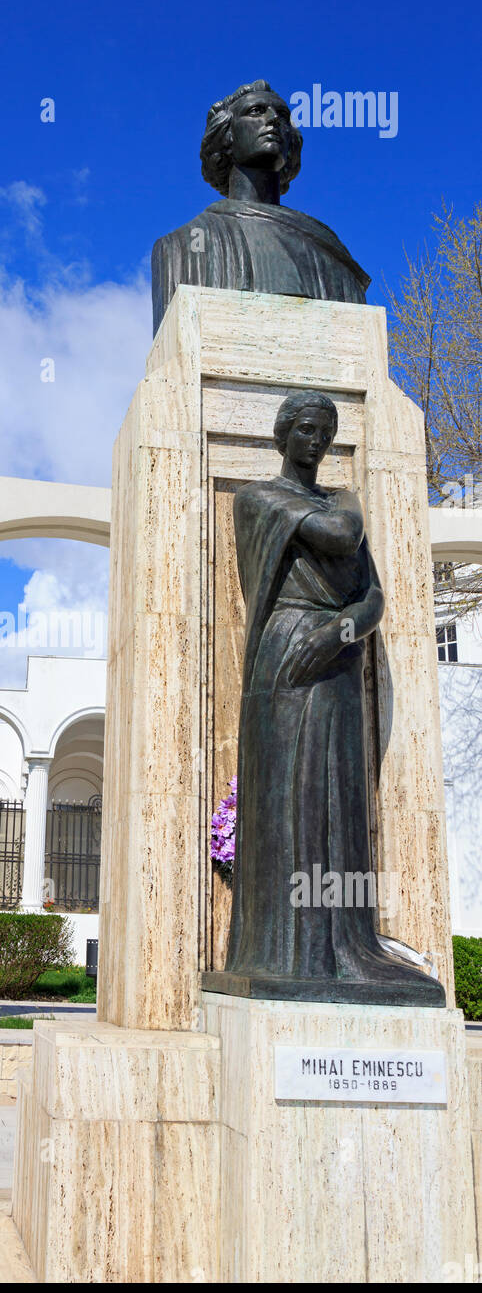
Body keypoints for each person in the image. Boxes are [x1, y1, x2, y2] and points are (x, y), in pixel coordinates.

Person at [223, 389, 444, 1004]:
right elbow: (340, 532)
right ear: (283, 434)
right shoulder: (260, 498)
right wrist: (318, 629)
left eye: (327, 431)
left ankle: (348, 948)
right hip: (287, 653)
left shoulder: (337, 502)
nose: (317, 441)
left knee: (342, 795)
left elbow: (373, 597)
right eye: (307, 429)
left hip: (336, 653)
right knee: (291, 794)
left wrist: (339, 630)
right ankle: (286, 952)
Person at [151, 80, 370, 336]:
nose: (273, 119)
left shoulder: (331, 252)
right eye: (256, 111)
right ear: (227, 136)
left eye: (283, 115)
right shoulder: (181, 246)